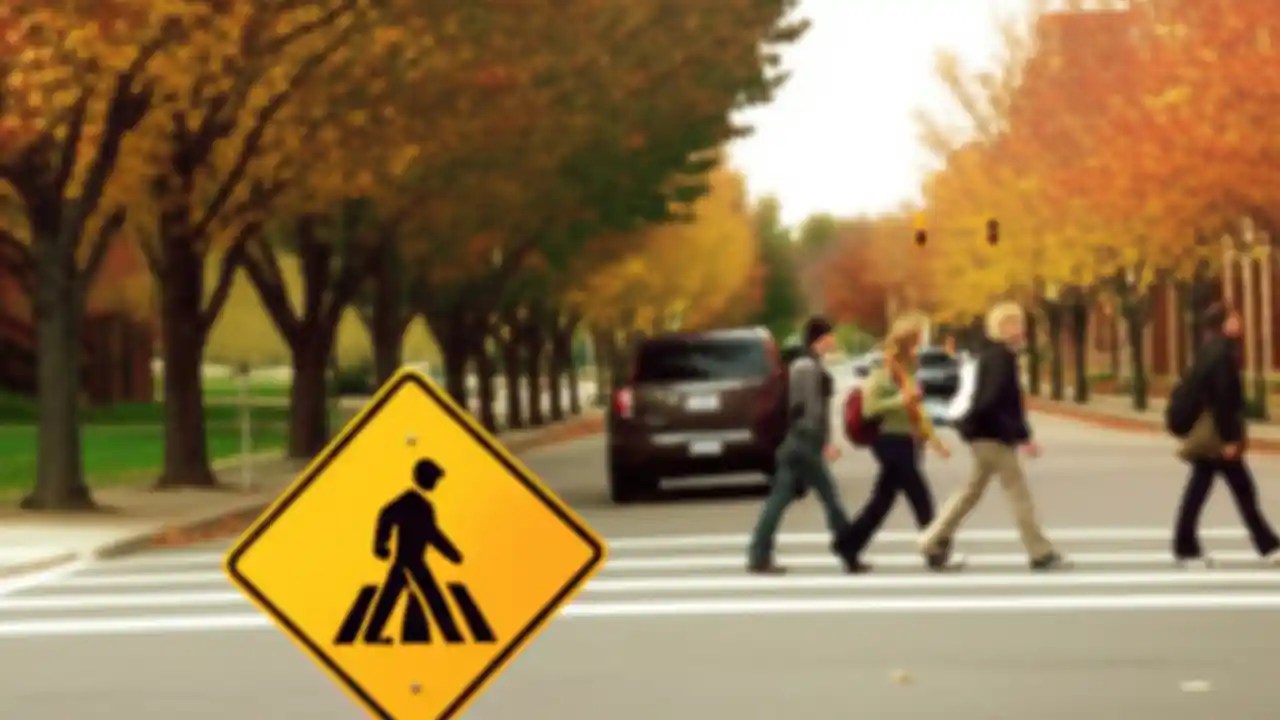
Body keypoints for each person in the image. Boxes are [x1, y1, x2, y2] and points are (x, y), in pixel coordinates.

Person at [918, 301, 1070, 571]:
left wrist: (1018, 434)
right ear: (1004, 327)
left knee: (970, 493)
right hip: (993, 438)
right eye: (1017, 323)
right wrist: (1020, 436)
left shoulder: (991, 355)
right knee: (1018, 495)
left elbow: (1000, 403)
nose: (1022, 329)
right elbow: (997, 402)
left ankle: (932, 539)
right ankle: (1040, 552)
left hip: (983, 436)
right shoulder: (1002, 358)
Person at [836, 314, 958, 572]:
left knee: (882, 500)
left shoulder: (910, 368)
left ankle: (848, 544)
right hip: (889, 441)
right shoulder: (885, 370)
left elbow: (917, 411)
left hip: (905, 441)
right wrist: (901, 400)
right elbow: (870, 408)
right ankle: (935, 549)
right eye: (919, 339)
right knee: (920, 497)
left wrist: (934, 441)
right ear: (907, 342)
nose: (923, 344)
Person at [1172, 302, 1280, 568]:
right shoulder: (1222, 354)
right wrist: (1231, 439)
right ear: (1223, 323)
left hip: (1215, 433)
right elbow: (1224, 398)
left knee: (1216, 490)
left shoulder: (1210, 350)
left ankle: (1268, 545)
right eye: (1235, 318)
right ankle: (1186, 547)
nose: (1240, 323)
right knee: (1236, 491)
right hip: (1218, 436)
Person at [747, 316, 850, 574]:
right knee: (830, 498)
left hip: (798, 442)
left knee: (779, 500)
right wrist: (822, 443)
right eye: (830, 336)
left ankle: (758, 554)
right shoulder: (806, 367)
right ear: (821, 339)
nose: (833, 341)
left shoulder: (807, 364)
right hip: (804, 442)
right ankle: (850, 550)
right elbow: (806, 409)